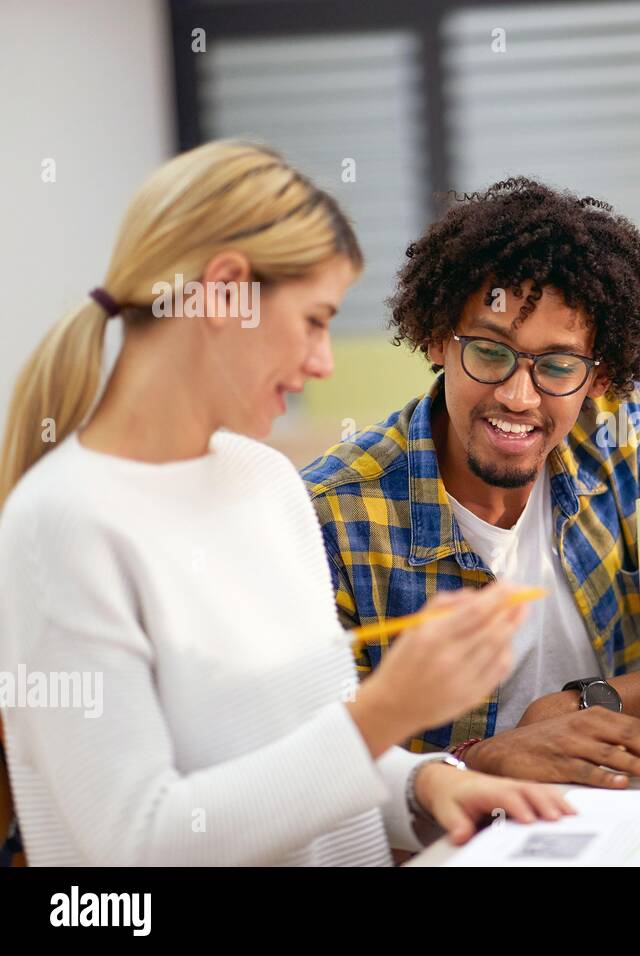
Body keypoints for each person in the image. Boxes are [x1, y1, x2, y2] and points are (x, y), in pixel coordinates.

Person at [0, 142, 570, 867]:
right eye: (314, 319)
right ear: (227, 289)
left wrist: (424, 786)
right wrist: (388, 711)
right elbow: (137, 847)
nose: (323, 362)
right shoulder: (62, 525)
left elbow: (301, 745)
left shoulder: (266, 481)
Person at [302, 178, 640, 788]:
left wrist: (583, 704)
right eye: (490, 352)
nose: (518, 397)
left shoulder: (631, 435)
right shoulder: (330, 520)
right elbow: (305, 773)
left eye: (559, 366)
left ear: (600, 377)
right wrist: (479, 760)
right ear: (438, 339)